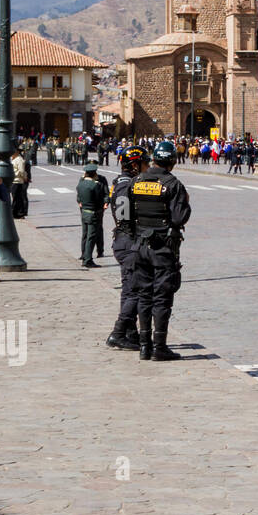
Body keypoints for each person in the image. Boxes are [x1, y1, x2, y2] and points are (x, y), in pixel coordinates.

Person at [124, 140, 192, 361]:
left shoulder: (135, 182)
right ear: (172, 161)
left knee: (144, 296)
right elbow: (179, 217)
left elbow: (127, 217)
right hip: (163, 248)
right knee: (162, 298)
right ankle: (160, 347)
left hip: (139, 246)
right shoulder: (173, 185)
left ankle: (144, 346)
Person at [105, 146, 148, 350]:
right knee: (136, 291)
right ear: (134, 164)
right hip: (129, 242)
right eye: (144, 163)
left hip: (126, 241)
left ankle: (131, 333)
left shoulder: (125, 182)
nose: (147, 167)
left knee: (129, 289)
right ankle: (118, 333)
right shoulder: (125, 185)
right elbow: (123, 215)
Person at [76, 162, 107, 268]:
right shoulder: (95, 185)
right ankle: (88, 259)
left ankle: (84, 255)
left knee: (85, 234)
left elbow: (79, 197)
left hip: (84, 212)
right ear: (94, 173)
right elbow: (99, 200)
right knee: (91, 237)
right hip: (93, 213)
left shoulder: (81, 184)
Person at [11, 147, 31, 219]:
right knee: (16, 197)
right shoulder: (15, 159)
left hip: (17, 180)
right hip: (15, 180)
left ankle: (16, 213)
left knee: (17, 198)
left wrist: (24, 178)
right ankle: (17, 213)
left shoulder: (19, 159)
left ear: (17, 152)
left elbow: (22, 171)